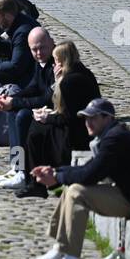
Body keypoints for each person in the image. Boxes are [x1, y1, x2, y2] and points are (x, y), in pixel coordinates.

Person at [26, 98, 130, 259]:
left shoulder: (115, 140)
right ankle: (61, 249)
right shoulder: (111, 136)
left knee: (76, 192)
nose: (88, 122)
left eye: (93, 118)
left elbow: (90, 175)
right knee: (73, 188)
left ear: (108, 118)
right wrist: (56, 171)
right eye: (86, 118)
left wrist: (56, 177)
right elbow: (88, 169)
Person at [14, 40, 101, 198]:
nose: (53, 65)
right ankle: (27, 173)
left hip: (77, 132)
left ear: (61, 61)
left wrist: (47, 117)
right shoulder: (80, 73)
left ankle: (33, 179)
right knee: (34, 126)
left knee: (33, 130)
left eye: (55, 61)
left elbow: (68, 116)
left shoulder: (69, 81)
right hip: (77, 124)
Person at [0, 28, 56, 190]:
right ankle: (16, 165)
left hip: (56, 110)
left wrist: (16, 103)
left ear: (52, 43)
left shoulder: (56, 63)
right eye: (34, 49)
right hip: (44, 105)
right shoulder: (40, 62)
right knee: (13, 112)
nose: (39, 52)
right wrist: (12, 100)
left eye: (42, 47)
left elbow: (48, 97)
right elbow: (34, 86)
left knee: (22, 115)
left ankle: (23, 171)